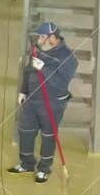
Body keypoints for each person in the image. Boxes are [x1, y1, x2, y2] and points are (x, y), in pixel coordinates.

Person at [10, 21, 78, 184]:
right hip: (32, 99)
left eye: (42, 36)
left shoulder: (68, 58)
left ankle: (43, 169)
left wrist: (43, 69)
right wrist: (23, 90)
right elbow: (28, 71)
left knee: (48, 135)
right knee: (25, 131)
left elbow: (62, 82)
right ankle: (26, 163)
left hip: (52, 103)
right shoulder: (38, 50)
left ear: (52, 38)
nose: (39, 39)